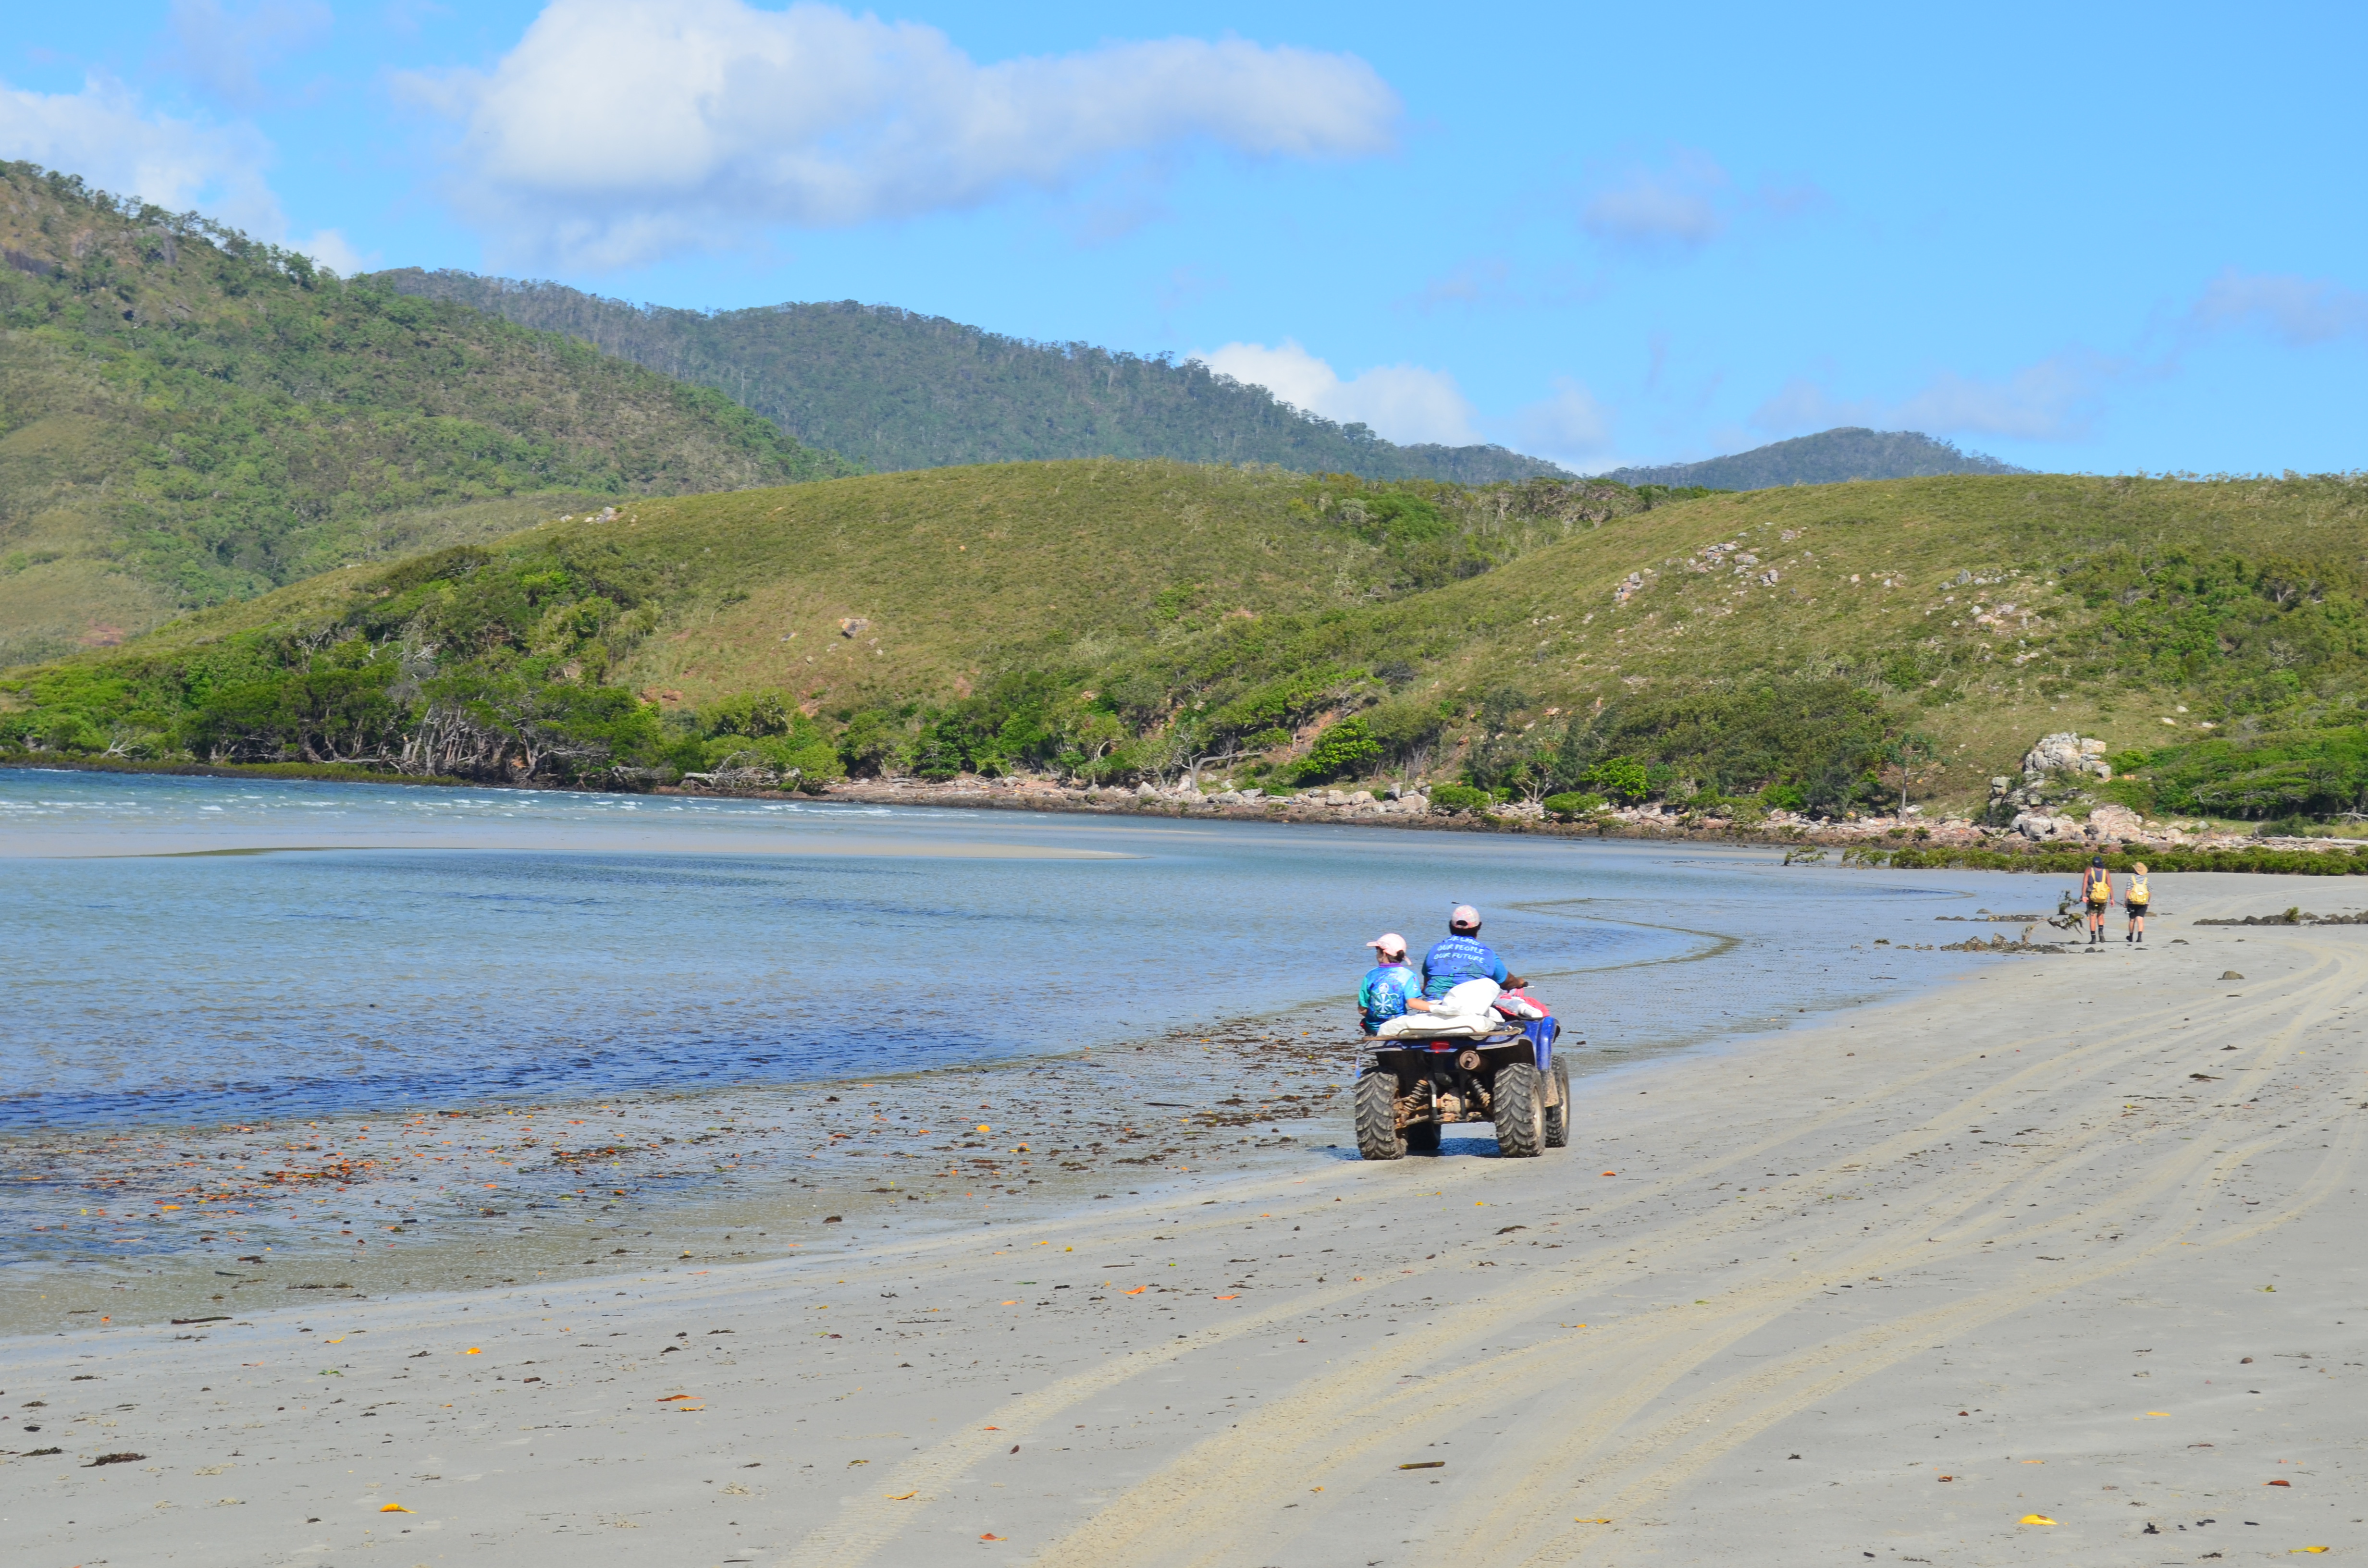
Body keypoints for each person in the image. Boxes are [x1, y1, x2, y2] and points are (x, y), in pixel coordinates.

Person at [1421, 905, 1526, 999]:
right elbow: (1507, 982)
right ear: (1479, 927)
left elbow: (1428, 984)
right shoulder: (1487, 954)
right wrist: (1519, 982)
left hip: (1432, 1004)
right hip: (1469, 1006)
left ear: (1450, 926)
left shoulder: (1434, 951)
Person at [1357, 934, 1421, 1034]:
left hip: (1375, 1029)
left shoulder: (1370, 975)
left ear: (1384, 954)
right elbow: (1413, 1002)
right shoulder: (1409, 975)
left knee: (1367, 1023)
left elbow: (1362, 1008)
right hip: (1399, 1027)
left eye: (1377, 952)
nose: (1376, 955)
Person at [2081, 855, 2114, 945]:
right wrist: (2112, 898)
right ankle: (2101, 933)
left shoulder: (2089, 871)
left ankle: (2093, 938)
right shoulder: (2106, 872)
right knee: (2101, 915)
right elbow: (2110, 885)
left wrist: (2083, 896)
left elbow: (2085, 883)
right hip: (2103, 897)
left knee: (2092, 917)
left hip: (2092, 896)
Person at [2124, 861, 2150, 943]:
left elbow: (2128, 890)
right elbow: (2150, 892)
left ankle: (2131, 937)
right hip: (2143, 902)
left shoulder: (2131, 878)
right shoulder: (2146, 880)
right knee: (2140, 919)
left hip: (2132, 902)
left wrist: (2126, 901)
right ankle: (2139, 938)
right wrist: (2148, 902)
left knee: (2132, 920)